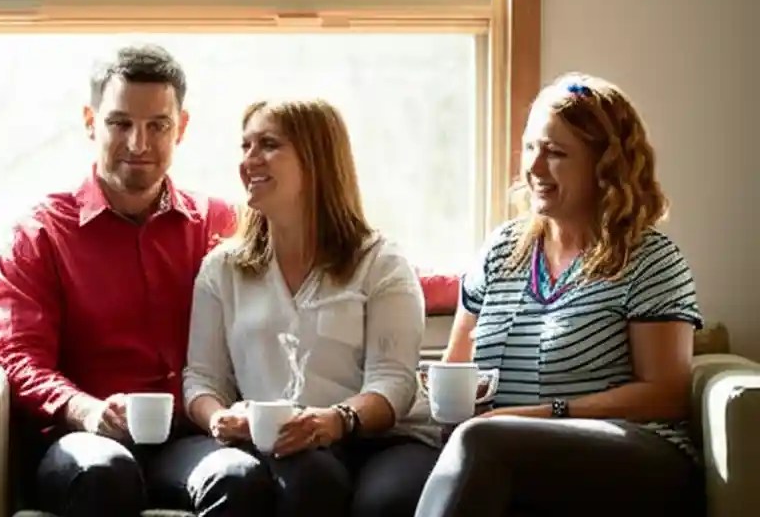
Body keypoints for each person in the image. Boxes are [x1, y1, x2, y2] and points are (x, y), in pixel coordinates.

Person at [0, 44, 270, 517]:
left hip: (187, 441)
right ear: (90, 121)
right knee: (104, 474)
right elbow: (18, 356)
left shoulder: (217, 223)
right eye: (120, 124)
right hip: (83, 444)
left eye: (157, 126)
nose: (139, 144)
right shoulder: (39, 233)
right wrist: (86, 410)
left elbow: (325, 267)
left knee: (238, 478)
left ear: (181, 129)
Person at [415, 73, 705, 517]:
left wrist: (537, 415)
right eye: (531, 147)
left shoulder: (649, 258)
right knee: (403, 483)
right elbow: (459, 364)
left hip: (639, 451)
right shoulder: (501, 251)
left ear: (604, 166)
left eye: (555, 153)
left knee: (482, 441)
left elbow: (665, 394)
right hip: (506, 449)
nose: (533, 168)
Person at [183, 98, 439, 517]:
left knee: (388, 503)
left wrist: (335, 421)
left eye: (268, 144)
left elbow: (394, 382)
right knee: (307, 478)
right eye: (245, 146)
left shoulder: (381, 262)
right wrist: (220, 417)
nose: (250, 160)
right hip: (287, 445)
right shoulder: (222, 269)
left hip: (384, 440)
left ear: (316, 160)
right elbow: (202, 378)